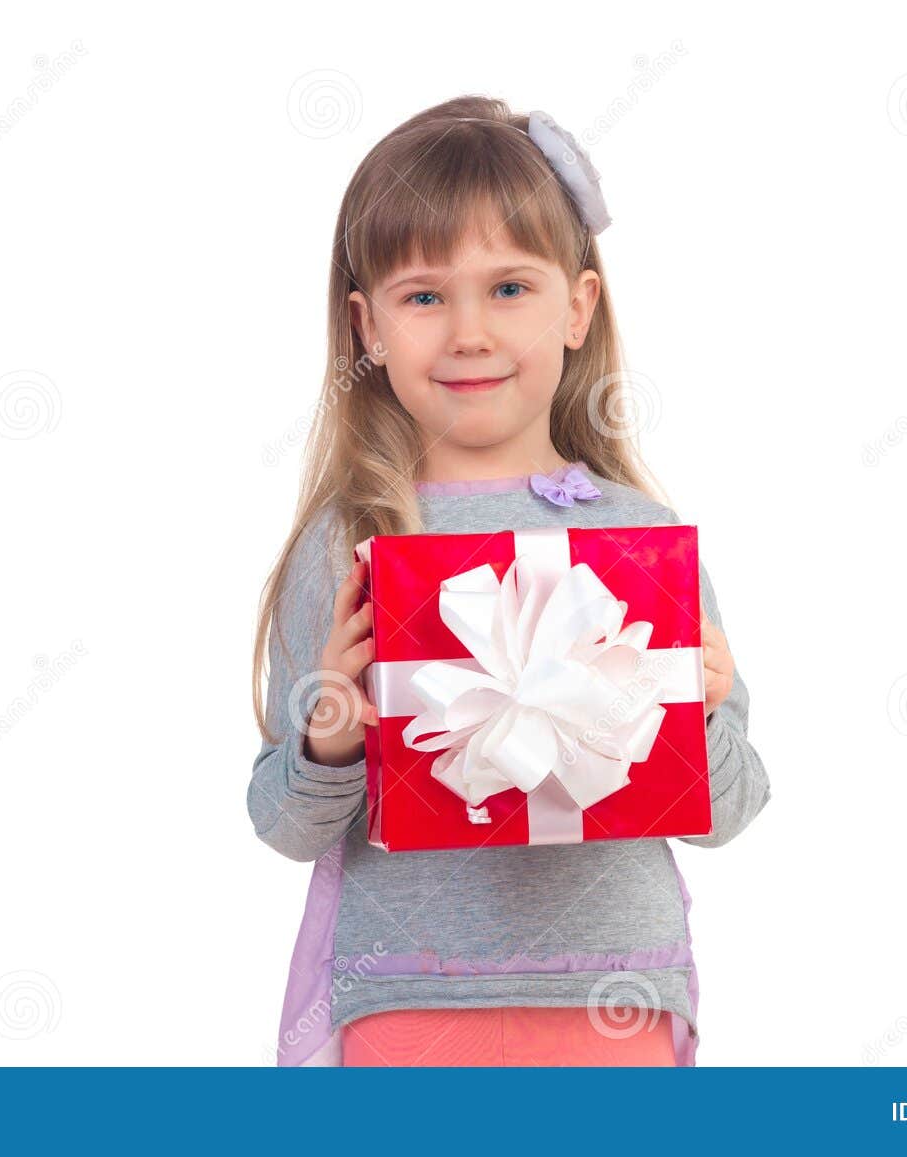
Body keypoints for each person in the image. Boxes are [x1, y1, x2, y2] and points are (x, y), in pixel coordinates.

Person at [248, 95, 772, 1067]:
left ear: (577, 307)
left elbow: (734, 808)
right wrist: (329, 735)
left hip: (614, 990)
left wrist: (695, 717)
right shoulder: (348, 545)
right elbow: (282, 823)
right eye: (423, 296)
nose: (469, 332)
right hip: (405, 995)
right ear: (367, 326)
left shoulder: (636, 536)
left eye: (508, 289)